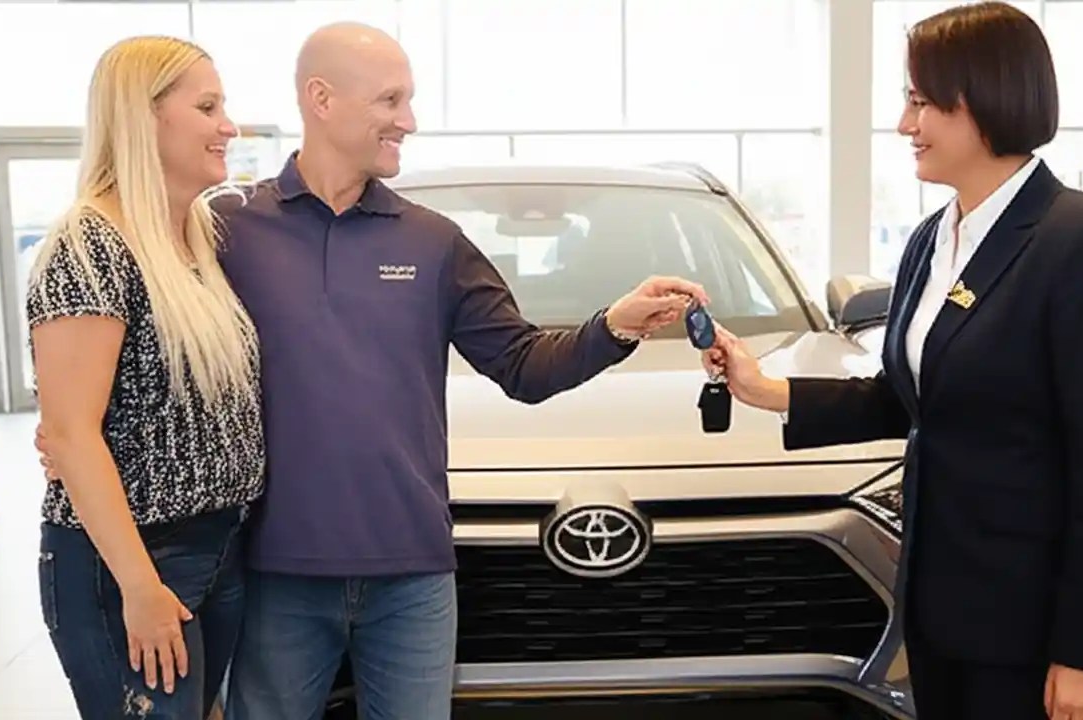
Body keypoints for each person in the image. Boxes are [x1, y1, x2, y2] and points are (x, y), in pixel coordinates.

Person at [35, 21, 707, 719]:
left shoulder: (433, 242)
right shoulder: (223, 232)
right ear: (322, 99)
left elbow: (521, 365)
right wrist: (70, 432)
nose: (408, 121)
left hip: (411, 577)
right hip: (273, 574)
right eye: (391, 100)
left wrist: (614, 326)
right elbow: (142, 355)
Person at [701, 3, 1083, 720]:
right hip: (938, 608)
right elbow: (914, 399)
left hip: (1028, 625)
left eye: (920, 102)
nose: (904, 124)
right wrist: (768, 389)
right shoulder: (932, 239)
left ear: (984, 98)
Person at [26, 36, 264, 719]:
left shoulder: (193, 237)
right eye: (208, 106)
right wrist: (140, 586)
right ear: (143, 118)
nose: (229, 125)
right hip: (130, 562)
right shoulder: (87, 245)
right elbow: (70, 435)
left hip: (216, 544)